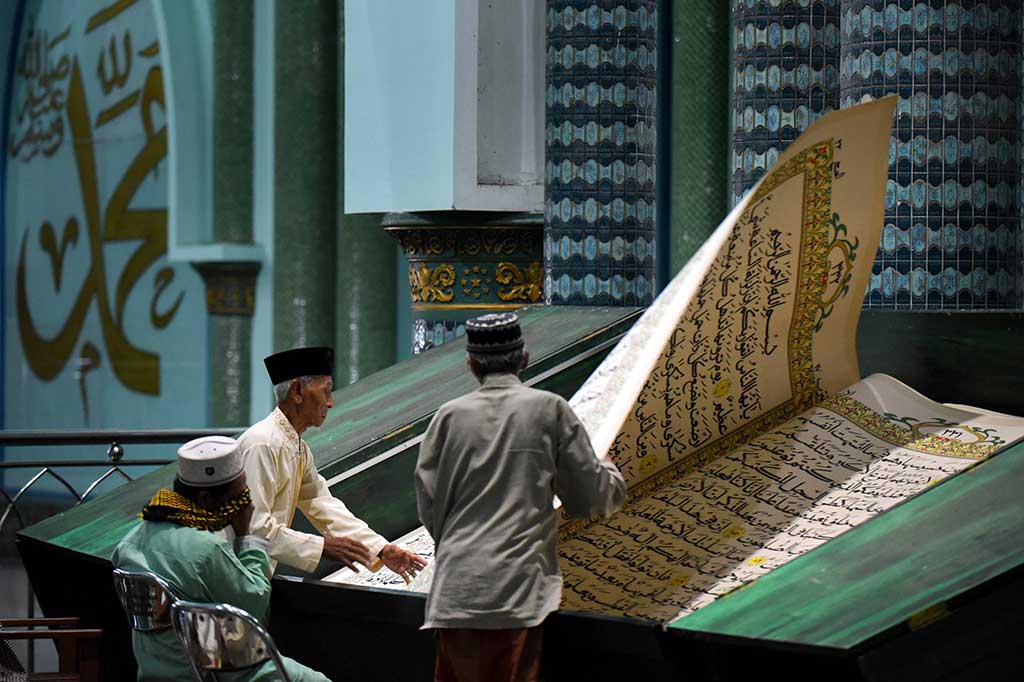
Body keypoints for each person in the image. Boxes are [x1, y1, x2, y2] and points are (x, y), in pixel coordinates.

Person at [415, 313, 627, 682]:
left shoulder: (447, 417)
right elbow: (589, 498)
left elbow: (430, 508)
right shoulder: (549, 409)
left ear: (471, 365)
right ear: (523, 359)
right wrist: (610, 472)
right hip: (514, 594)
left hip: (454, 594)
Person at [112, 436, 331, 682]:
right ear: (206, 500)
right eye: (239, 496)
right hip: (217, 671)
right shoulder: (206, 550)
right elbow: (255, 609)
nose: (246, 504)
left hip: (157, 672)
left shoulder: (128, 544)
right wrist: (247, 536)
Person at [237, 346, 426, 579]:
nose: (330, 403)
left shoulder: (296, 447)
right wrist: (321, 547)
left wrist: (380, 549)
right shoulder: (262, 443)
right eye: (326, 391)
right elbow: (254, 528)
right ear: (297, 391)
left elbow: (322, 504)